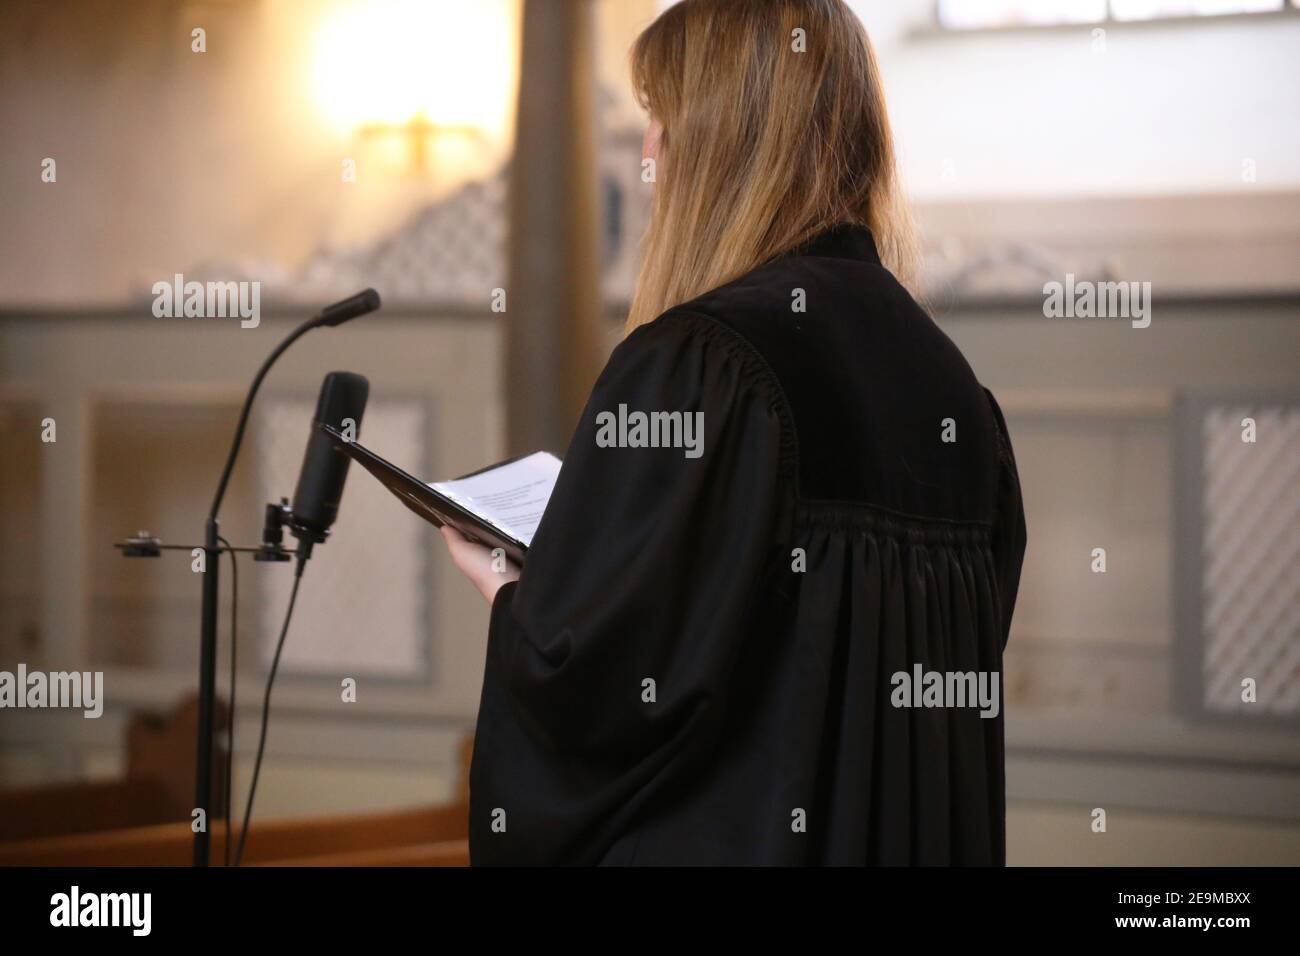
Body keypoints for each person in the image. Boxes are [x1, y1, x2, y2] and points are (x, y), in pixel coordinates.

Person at [440, 0, 1026, 865]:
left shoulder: (702, 363)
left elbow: (608, 689)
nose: (648, 151)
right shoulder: (953, 393)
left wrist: (512, 594)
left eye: (661, 119)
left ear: (726, 140)